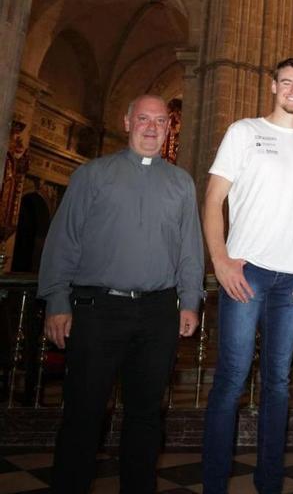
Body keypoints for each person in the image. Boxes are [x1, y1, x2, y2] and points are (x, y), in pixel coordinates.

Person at [37, 95, 204, 494]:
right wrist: (58, 301)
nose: (151, 127)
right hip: (98, 310)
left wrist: (191, 301)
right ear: (127, 121)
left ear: (169, 128)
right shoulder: (92, 175)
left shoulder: (181, 182)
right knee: (83, 414)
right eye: (143, 119)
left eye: (160, 121)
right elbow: (64, 241)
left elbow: (190, 250)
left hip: (158, 312)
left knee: (146, 416)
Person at [201, 57, 293, 493]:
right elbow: (214, 198)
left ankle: (269, 481)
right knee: (232, 378)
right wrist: (219, 260)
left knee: (277, 383)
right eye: (287, 82)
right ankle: (215, 482)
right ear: (273, 86)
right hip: (247, 271)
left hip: (292, 278)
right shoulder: (244, 131)